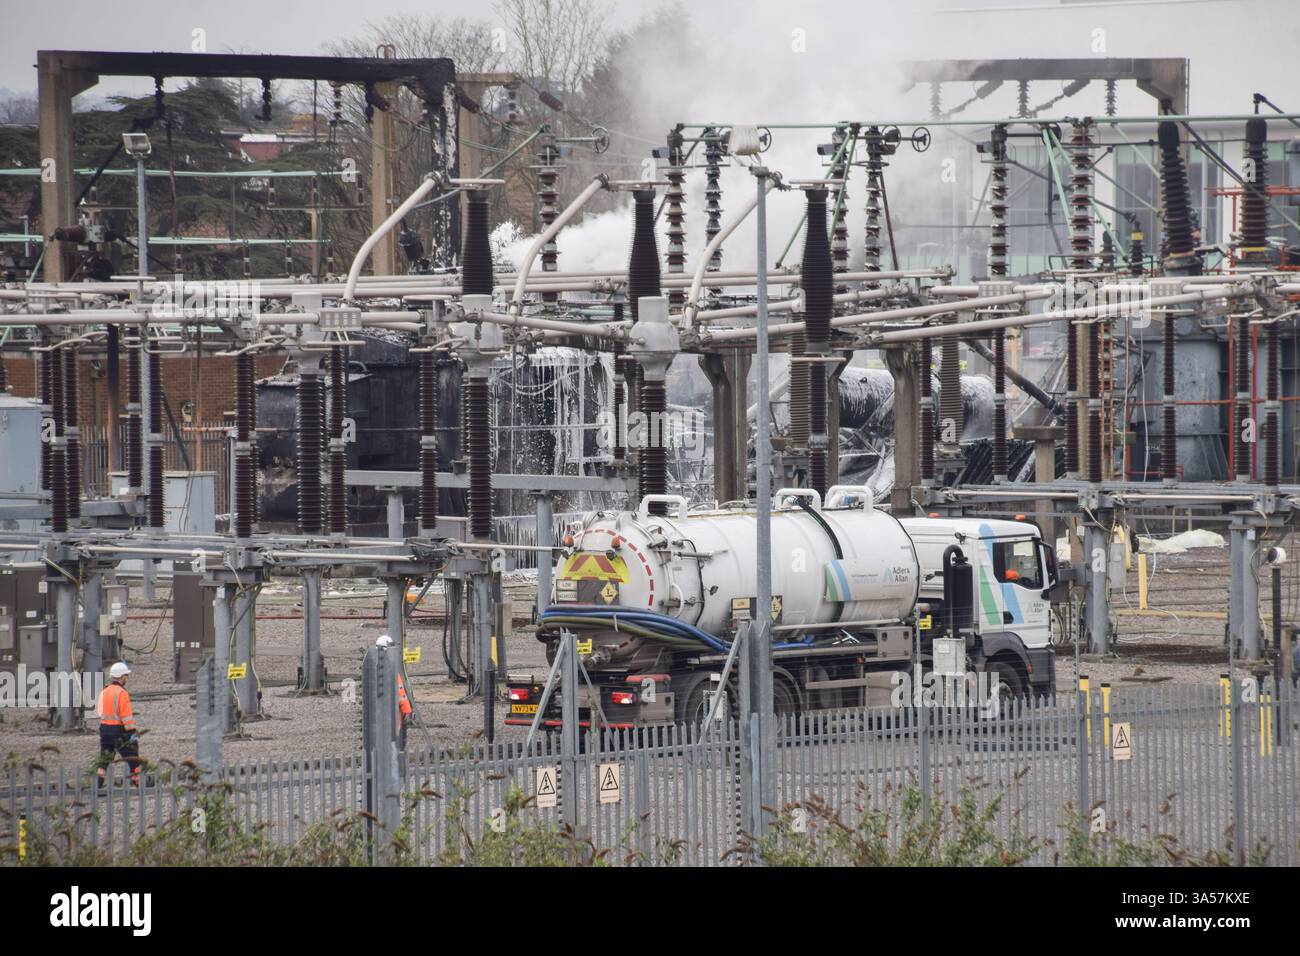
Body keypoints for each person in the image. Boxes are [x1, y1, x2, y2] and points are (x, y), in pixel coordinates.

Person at [96, 662, 141, 786]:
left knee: (105, 757)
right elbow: (126, 717)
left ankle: (98, 782)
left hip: (104, 729)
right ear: (122, 677)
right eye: (126, 675)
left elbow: (99, 711)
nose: (127, 678)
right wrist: (132, 733)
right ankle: (137, 781)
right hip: (119, 730)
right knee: (132, 755)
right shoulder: (122, 693)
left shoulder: (104, 691)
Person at [375, 635, 412, 748]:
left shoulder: (373, 667)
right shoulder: (393, 670)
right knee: (397, 746)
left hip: (378, 717)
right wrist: (407, 711)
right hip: (394, 716)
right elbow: (401, 695)